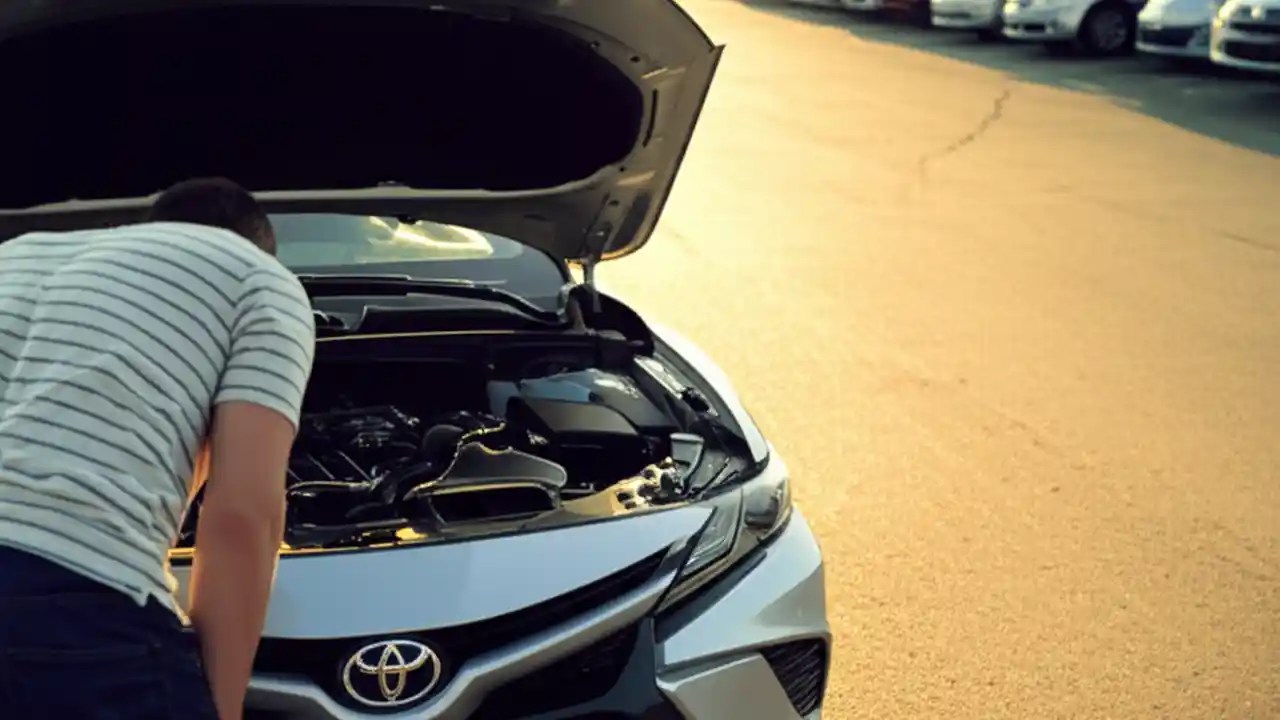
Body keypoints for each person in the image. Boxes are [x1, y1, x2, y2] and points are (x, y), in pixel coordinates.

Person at [0, 178, 316, 720]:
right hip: (70, 600)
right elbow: (244, 515)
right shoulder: (258, 277)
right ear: (258, 240)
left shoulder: (14, 254)